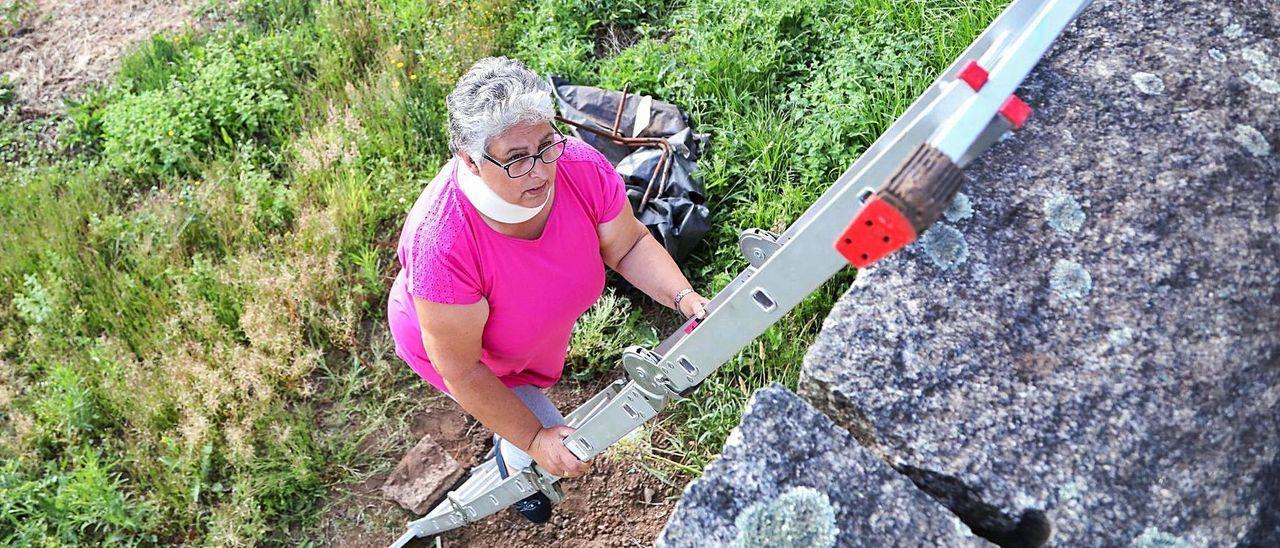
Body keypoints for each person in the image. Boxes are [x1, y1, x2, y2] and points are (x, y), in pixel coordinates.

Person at [385, 57, 710, 522]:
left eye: (545, 145)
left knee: (532, 394)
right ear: (471, 162)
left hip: (527, 319)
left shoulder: (579, 167)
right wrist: (536, 439)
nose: (539, 171)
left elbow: (629, 244)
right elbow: (462, 369)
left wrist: (684, 298)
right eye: (516, 159)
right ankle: (514, 461)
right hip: (457, 345)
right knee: (542, 430)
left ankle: (517, 440)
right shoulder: (443, 243)